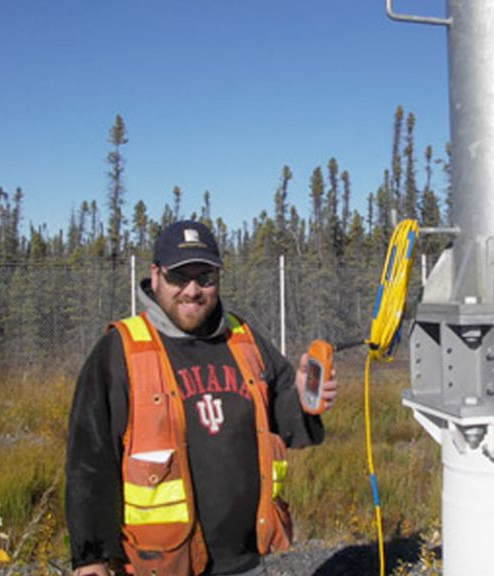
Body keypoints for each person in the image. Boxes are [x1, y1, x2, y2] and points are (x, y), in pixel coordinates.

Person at [65, 220, 338, 576]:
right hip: (159, 565)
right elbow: (90, 459)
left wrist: (302, 401)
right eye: (179, 277)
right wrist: (92, 557)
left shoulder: (243, 338)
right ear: (156, 275)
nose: (192, 290)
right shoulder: (123, 348)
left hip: (245, 560)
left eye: (205, 277)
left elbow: (280, 415)